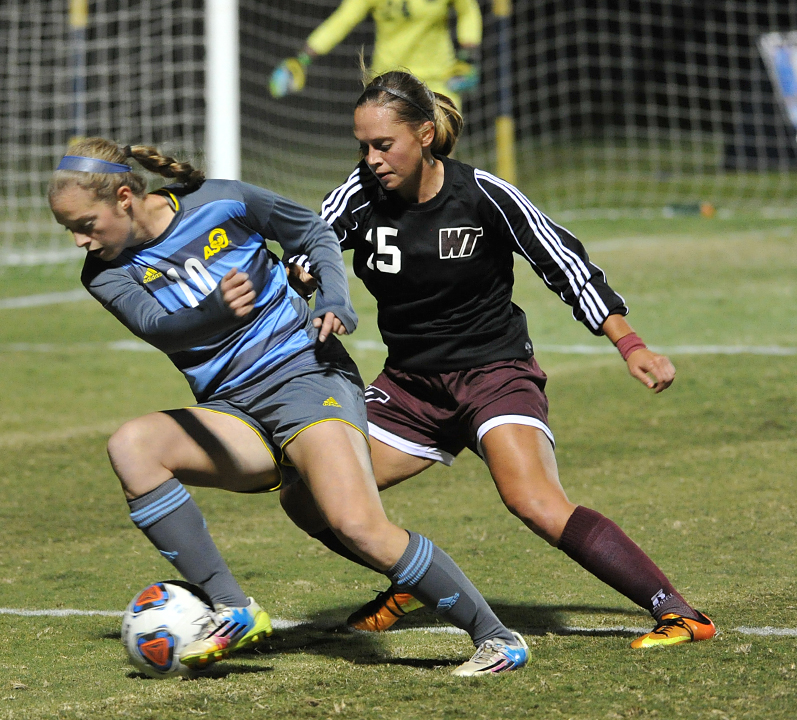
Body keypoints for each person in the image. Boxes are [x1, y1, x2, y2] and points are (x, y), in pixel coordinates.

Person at [47, 137, 532, 675]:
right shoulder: (105, 272)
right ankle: (234, 609)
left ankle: (496, 639)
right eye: (69, 228)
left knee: (357, 525)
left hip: (308, 378)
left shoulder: (220, 201)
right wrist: (215, 312)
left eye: (85, 223)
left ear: (123, 197)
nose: (78, 241)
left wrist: (333, 295)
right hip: (234, 409)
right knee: (132, 446)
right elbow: (160, 329)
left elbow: (313, 231)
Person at [280, 71, 718, 649]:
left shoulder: (484, 195)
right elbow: (308, 250)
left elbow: (564, 263)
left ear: (426, 135)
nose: (371, 158)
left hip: (494, 374)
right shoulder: (358, 195)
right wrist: (296, 273)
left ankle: (680, 613)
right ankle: (409, 575)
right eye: (362, 145)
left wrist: (629, 344)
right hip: (411, 387)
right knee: (305, 492)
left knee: (533, 501)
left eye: (383, 144)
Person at [269, 0, 482, 107]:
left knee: (440, 159)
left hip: (439, 80)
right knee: (389, 162)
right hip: (389, 82)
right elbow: (341, 21)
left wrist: (468, 58)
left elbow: (468, 11)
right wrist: (302, 58)